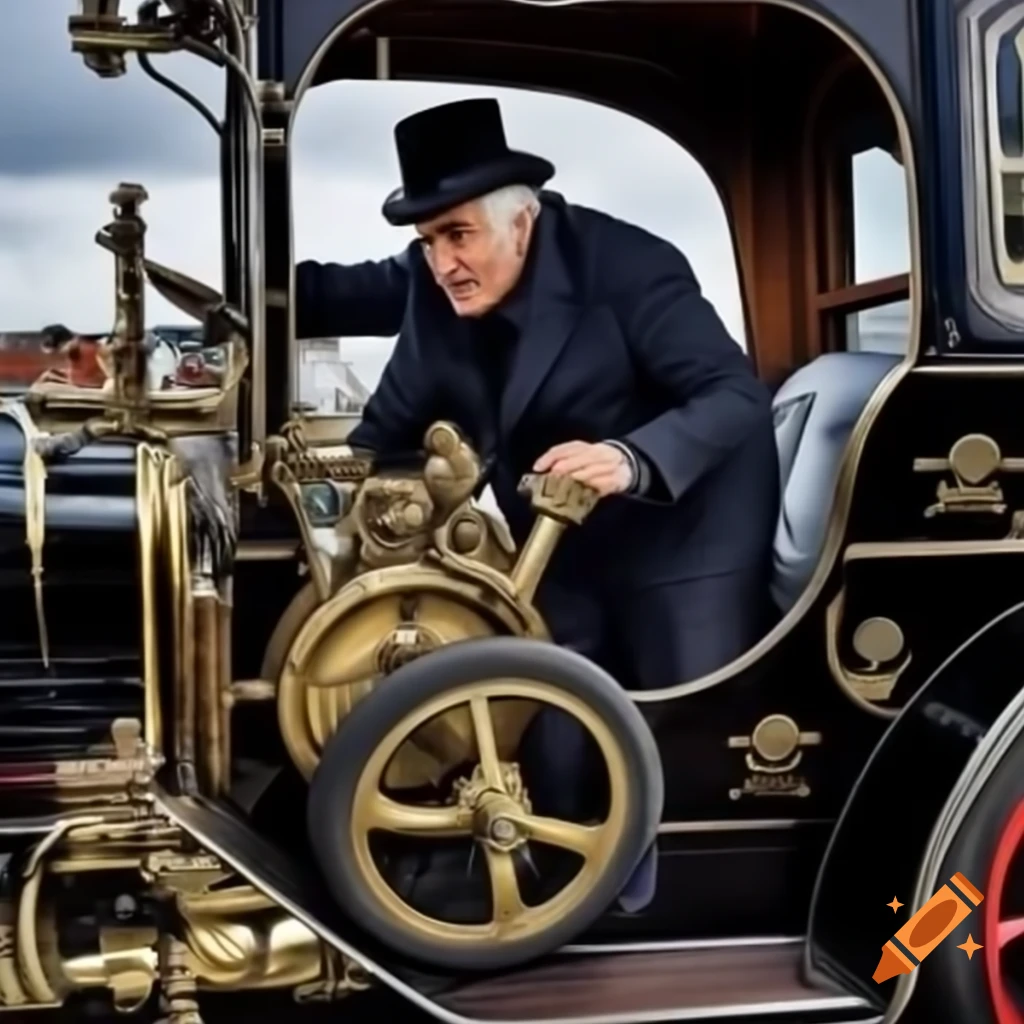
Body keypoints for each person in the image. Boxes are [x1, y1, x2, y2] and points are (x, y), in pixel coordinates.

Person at [296, 97, 780, 913]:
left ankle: (683, 916)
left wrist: (630, 459)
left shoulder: (628, 265)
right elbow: (350, 356)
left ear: (522, 223)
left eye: (458, 236)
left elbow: (733, 394)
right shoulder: (435, 283)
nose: (442, 261)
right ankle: (559, 893)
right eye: (426, 241)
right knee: (543, 702)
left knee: (678, 719)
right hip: (561, 534)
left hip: (685, 527)